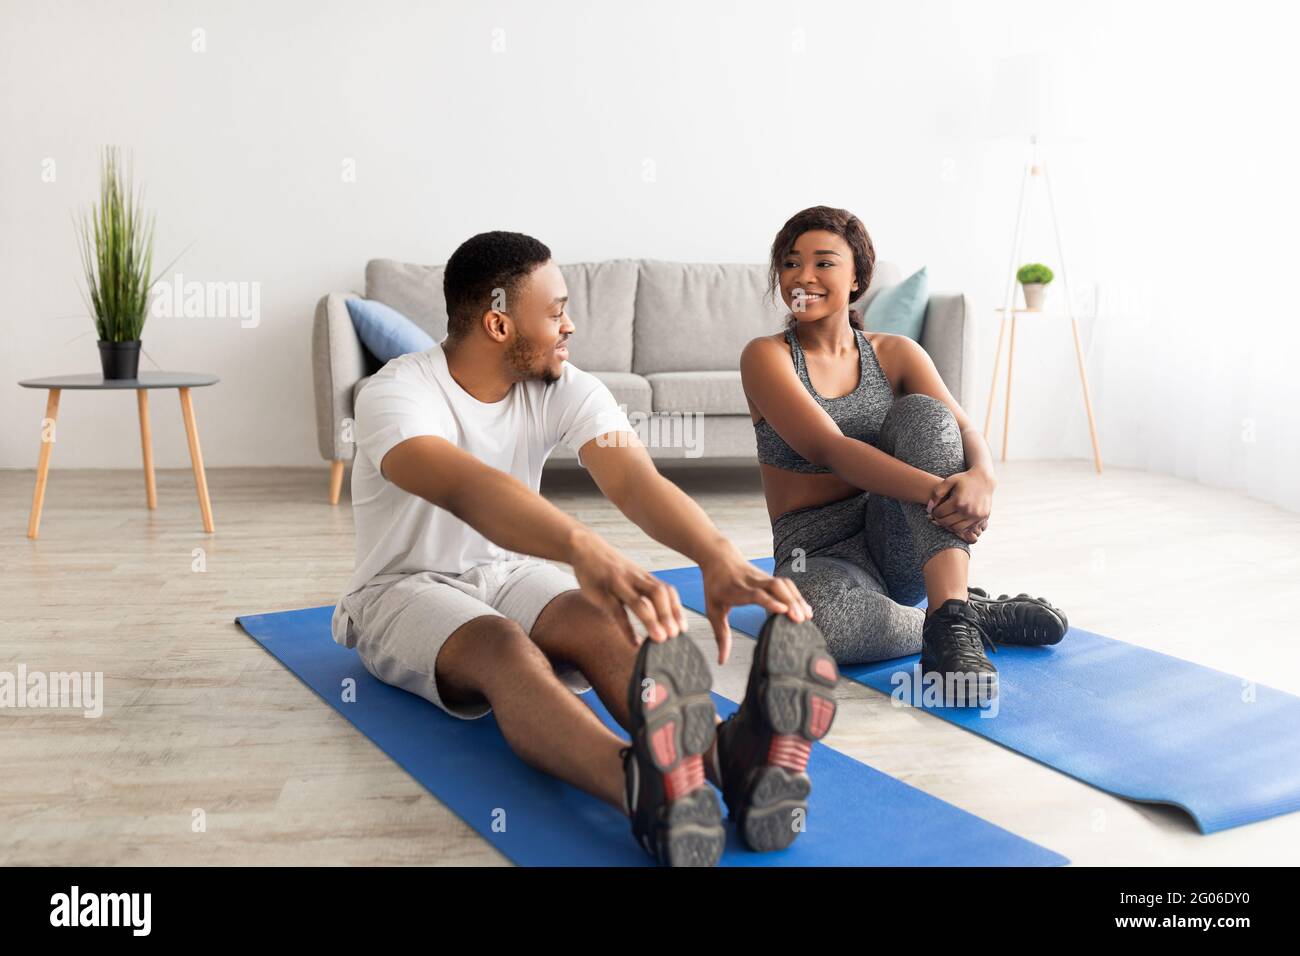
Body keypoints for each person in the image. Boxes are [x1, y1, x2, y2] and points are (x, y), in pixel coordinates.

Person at [331, 231, 839, 866]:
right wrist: (580, 546)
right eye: (555, 311)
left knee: (595, 619)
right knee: (503, 647)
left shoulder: (559, 384)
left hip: (508, 569)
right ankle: (640, 786)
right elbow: (465, 487)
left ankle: (725, 757)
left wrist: (715, 554)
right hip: (400, 590)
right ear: (497, 323)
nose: (569, 326)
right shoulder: (395, 394)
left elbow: (635, 479)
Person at [739, 206, 1069, 706]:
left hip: (902, 541)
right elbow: (831, 448)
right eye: (790, 263)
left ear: (857, 278)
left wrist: (983, 477)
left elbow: (960, 427)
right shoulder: (767, 356)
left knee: (924, 415)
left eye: (824, 262)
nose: (803, 276)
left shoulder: (897, 353)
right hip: (817, 556)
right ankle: (958, 616)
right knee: (814, 630)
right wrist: (943, 495)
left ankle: (949, 625)